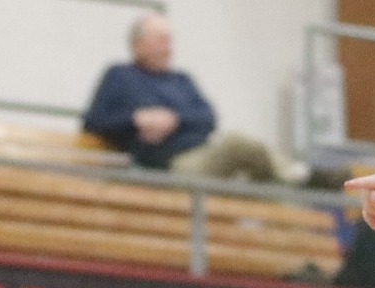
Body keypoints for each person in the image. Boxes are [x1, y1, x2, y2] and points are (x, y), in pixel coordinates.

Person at [82, 15, 299, 181]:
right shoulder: (119, 76)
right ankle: (299, 177)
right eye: (162, 41)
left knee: (251, 172)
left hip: (202, 151)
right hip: (169, 165)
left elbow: (208, 117)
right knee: (238, 145)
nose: (169, 48)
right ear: (138, 45)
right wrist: (137, 120)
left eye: (170, 41)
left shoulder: (182, 80)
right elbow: (93, 122)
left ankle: (296, 184)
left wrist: (174, 119)